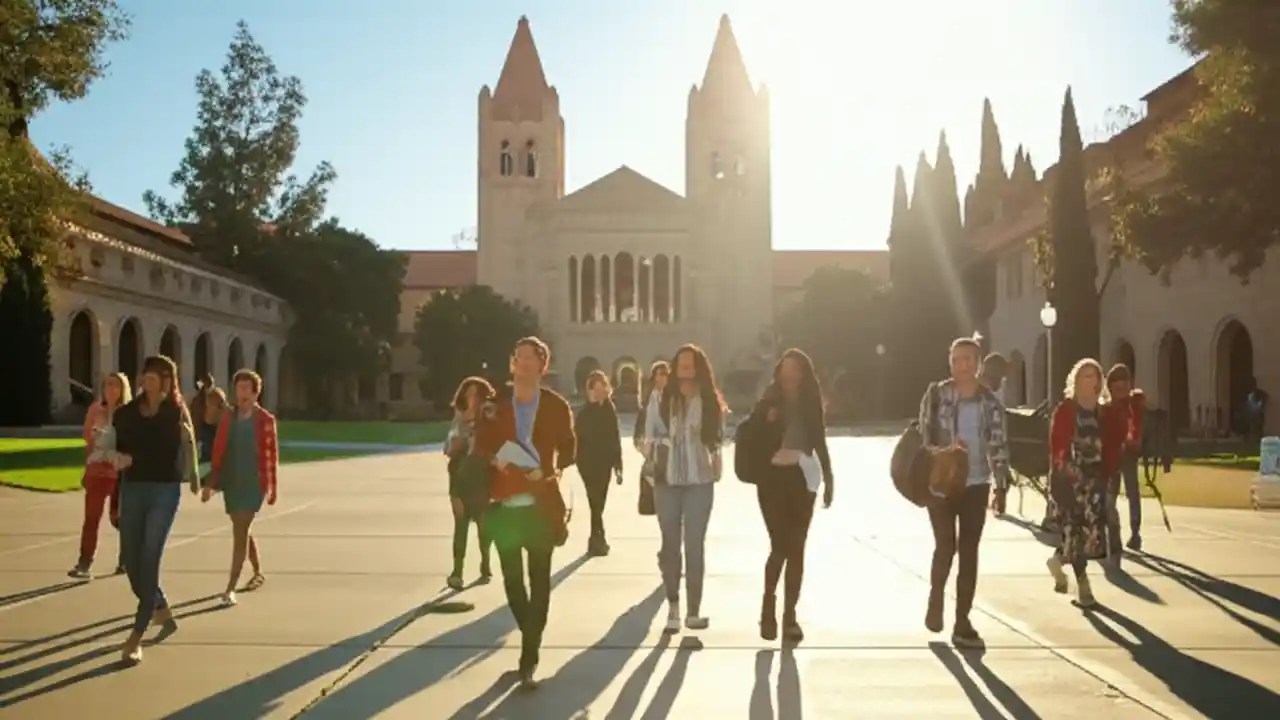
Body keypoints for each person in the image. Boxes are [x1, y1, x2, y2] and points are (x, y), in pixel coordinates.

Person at [474, 336, 576, 690]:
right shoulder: (493, 406)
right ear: (512, 363)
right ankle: (531, 633)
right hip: (504, 504)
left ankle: (529, 655)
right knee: (514, 584)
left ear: (543, 366)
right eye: (519, 358)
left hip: (541, 504)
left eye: (532, 358)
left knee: (540, 580)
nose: (525, 363)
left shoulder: (556, 406)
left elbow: (568, 447)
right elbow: (482, 444)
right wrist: (494, 459)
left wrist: (555, 469)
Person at [917, 337, 1012, 649]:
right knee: (946, 546)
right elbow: (924, 436)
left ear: (978, 362)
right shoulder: (936, 395)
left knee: (969, 552)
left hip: (976, 483)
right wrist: (945, 452)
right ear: (950, 362)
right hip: (942, 483)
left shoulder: (991, 403)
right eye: (956, 359)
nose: (962, 366)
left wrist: (1001, 484)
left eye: (968, 359)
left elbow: (998, 444)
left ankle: (962, 621)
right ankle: (935, 599)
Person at [735, 349, 833, 642]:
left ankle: (790, 616)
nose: (790, 375)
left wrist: (829, 477)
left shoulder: (810, 404)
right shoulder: (767, 402)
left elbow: (819, 441)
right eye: (785, 369)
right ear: (779, 373)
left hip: (803, 480)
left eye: (796, 370)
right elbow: (748, 435)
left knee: (798, 548)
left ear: (804, 376)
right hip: (772, 481)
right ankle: (768, 607)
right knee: (780, 546)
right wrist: (768, 420)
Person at [113, 354, 199, 664]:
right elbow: (114, 446)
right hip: (133, 489)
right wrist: (114, 457)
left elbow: (179, 451)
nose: (151, 379)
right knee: (133, 564)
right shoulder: (125, 414)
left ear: (168, 380)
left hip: (164, 491)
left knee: (149, 557)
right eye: (147, 374)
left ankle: (136, 637)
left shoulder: (175, 413)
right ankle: (159, 606)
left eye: (160, 375)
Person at [649, 344, 726, 633]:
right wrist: (658, 446)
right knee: (670, 545)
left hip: (699, 480)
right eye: (679, 361)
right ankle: (673, 607)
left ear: (698, 366)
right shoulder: (661, 398)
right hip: (666, 480)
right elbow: (648, 436)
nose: (684, 365)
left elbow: (717, 437)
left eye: (689, 361)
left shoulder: (709, 400)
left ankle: (693, 611)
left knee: (695, 545)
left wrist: (715, 454)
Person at [203, 369, 278, 607]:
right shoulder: (228, 417)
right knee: (241, 527)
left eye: (247, 388)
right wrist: (211, 482)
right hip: (232, 480)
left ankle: (230, 587)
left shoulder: (265, 420)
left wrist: (272, 487)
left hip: (253, 482)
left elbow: (271, 455)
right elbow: (218, 450)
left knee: (240, 531)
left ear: (256, 393)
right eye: (239, 388)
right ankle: (257, 571)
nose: (242, 393)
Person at [1046, 358, 1114, 607]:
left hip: (1094, 481)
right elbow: (1057, 448)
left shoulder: (1102, 412)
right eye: (1084, 376)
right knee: (1075, 531)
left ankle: (1057, 562)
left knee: (1091, 535)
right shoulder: (1066, 410)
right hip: (1070, 481)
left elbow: (1112, 443)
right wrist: (1065, 471)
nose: (1090, 380)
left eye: (1093, 376)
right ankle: (1084, 588)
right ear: (1076, 381)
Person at [70, 372, 132, 579]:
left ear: (123, 389)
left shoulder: (128, 413)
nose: (111, 389)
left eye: (116, 385)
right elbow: (88, 437)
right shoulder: (96, 410)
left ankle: (125, 559)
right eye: (108, 385)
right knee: (91, 518)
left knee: (120, 518)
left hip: (119, 473)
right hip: (97, 471)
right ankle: (84, 562)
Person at [444, 376, 496, 589]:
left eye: (476, 394)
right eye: (468, 393)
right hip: (459, 478)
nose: (472, 398)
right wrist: (458, 441)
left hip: (482, 478)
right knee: (460, 523)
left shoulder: (490, 419)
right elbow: (447, 448)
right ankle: (457, 571)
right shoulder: (458, 419)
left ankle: (485, 562)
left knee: (484, 526)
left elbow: (497, 446)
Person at [576, 369, 623, 556]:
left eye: (600, 388)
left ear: (606, 388)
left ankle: (596, 538)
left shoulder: (610, 410)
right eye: (593, 389)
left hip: (605, 463)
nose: (597, 392)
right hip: (587, 463)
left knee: (599, 502)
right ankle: (597, 538)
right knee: (594, 500)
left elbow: (615, 437)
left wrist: (618, 465)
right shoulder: (584, 413)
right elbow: (577, 438)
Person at [1102, 364, 1144, 556]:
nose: (1122, 391)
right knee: (1110, 495)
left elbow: (1135, 426)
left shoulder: (1133, 405)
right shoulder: (1106, 409)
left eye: (1125, 386)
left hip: (1128, 454)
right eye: (1117, 387)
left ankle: (1135, 532)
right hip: (1112, 457)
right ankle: (1113, 531)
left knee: (1132, 492)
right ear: (1110, 388)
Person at [189, 373, 226, 483]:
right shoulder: (202, 398)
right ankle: (206, 475)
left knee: (208, 453)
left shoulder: (210, 396)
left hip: (207, 428)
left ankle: (206, 475)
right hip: (206, 429)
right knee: (208, 454)